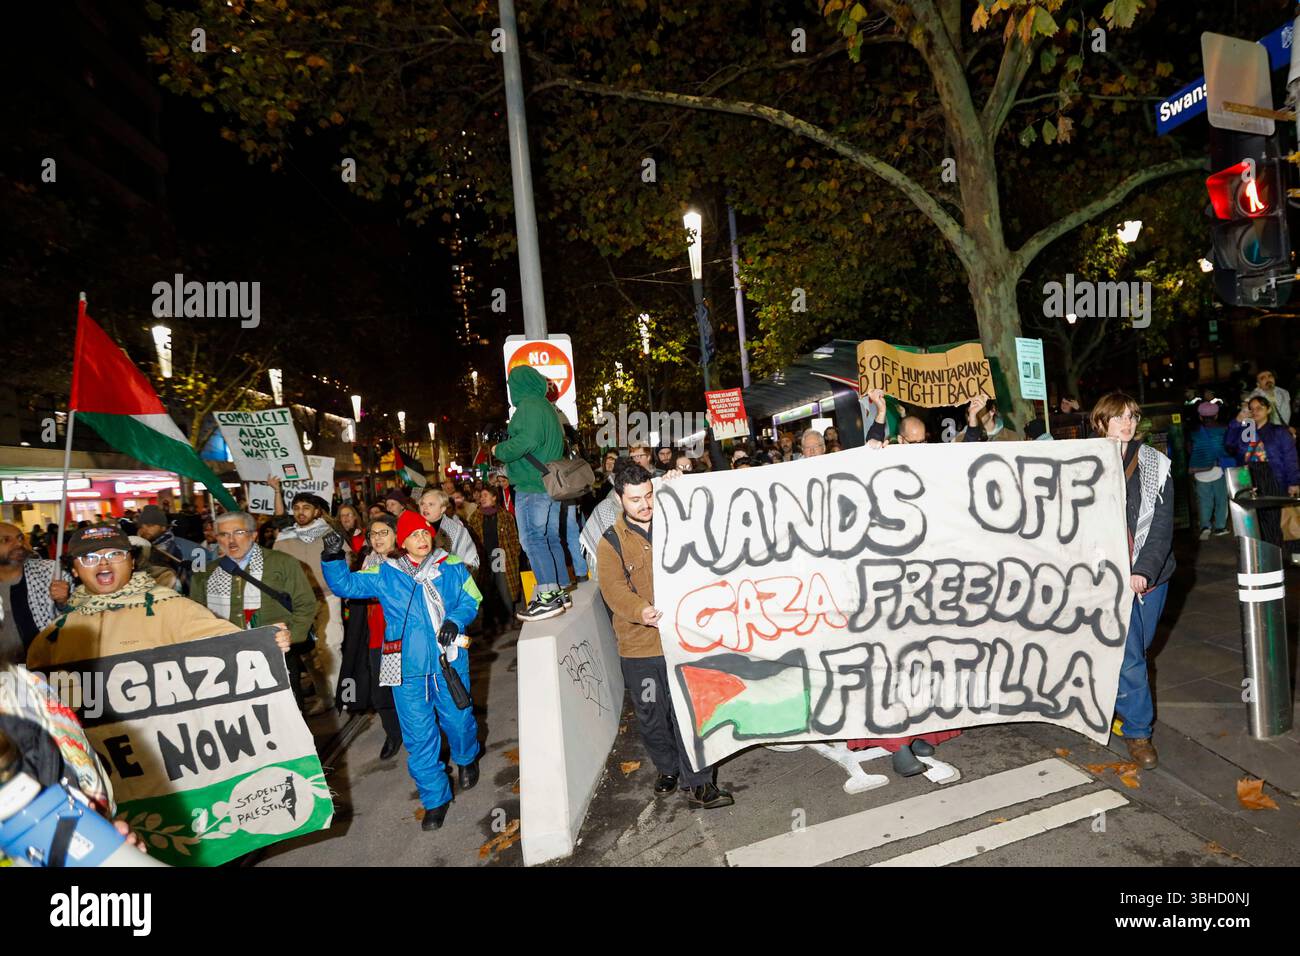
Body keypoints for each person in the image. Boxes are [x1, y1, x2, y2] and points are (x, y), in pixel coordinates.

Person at [321, 511, 482, 831]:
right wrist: (332, 555)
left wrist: (456, 619)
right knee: (419, 736)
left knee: (459, 721)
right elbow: (345, 584)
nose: (421, 539)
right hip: (405, 667)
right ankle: (434, 800)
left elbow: (472, 598)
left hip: (447, 660)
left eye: (425, 533)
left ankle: (466, 758)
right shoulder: (387, 572)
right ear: (402, 541)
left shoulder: (450, 565)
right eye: (414, 535)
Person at [596, 460, 734, 809]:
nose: (645, 505)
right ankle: (668, 769)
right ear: (618, 499)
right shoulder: (610, 543)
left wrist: (679, 483)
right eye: (635, 500)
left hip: (683, 642)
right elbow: (613, 591)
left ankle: (699, 781)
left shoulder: (675, 520)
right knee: (651, 714)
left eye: (649, 496)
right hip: (640, 649)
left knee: (690, 712)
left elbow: (711, 515)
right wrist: (641, 610)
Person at [27, 525, 290, 671]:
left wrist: (267, 640)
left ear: (132, 562)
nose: (104, 563)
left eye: (115, 554)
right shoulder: (54, 636)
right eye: (90, 558)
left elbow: (231, 643)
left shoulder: (173, 608)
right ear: (74, 569)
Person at [1091, 392, 1174, 770]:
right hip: (1105, 578)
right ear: (1101, 422)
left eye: (1132, 416)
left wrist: (1143, 569)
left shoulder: (1156, 463)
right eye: (1118, 417)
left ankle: (1112, 704)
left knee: (1137, 652)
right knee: (1128, 657)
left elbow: (1161, 524)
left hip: (1150, 577)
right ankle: (1138, 732)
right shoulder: (1082, 462)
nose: (1127, 424)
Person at [191, 511, 320, 710]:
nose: (231, 540)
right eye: (224, 535)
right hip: (226, 663)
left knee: (286, 718)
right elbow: (197, 619)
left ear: (253, 535)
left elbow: (306, 605)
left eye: (238, 532)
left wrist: (291, 634)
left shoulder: (282, 563)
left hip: (276, 656)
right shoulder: (205, 574)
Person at [492, 365, 572, 622]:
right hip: (549, 483)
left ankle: (548, 596)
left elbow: (526, 442)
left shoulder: (527, 406)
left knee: (533, 540)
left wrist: (499, 449)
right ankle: (559, 590)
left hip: (531, 484)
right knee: (549, 538)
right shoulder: (548, 407)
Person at [271, 486, 346, 714]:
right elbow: (275, 569)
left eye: (306, 508)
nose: (300, 512)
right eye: (296, 508)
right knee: (308, 653)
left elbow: (345, 563)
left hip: (328, 596)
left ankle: (340, 694)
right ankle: (325, 697)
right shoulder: (284, 537)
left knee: (330, 646)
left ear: (317, 512)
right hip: (298, 603)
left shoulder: (330, 534)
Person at [1226, 394, 1300, 553]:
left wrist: (1294, 482)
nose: (1255, 411)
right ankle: (1264, 552)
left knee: (1273, 515)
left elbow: (1290, 457)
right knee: (1256, 517)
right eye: (1251, 409)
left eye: (1260, 407)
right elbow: (1230, 447)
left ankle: (1275, 553)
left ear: (1268, 409)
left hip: (1272, 474)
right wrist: (1237, 422)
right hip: (1249, 476)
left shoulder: (1279, 431)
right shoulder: (1247, 431)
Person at [0, 523, 71, 665]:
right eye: (6, 540)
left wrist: (63, 602)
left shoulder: (50, 572)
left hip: (47, 667)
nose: (18, 544)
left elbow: (76, 617)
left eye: (20, 538)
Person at [466, 485, 523, 636]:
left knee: (504, 589)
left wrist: (514, 555)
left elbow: (514, 538)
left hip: (500, 556)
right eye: (481, 496)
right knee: (486, 590)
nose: (482, 498)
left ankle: (508, 620)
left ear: (494, 497)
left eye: (485, 495)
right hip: (484, 559)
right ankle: (489, 623)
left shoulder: (505, 516)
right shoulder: (475, 517)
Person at [1188, 402, 1234, 539]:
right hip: (1218, 469)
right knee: (1221, 500)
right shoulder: (1224, 429)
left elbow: (1190, 450)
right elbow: (1228, 448)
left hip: (1200, 471)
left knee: (1204, 501)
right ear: (1216, 415)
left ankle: (1205, 527)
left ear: (1200, 416)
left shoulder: (1194, 432)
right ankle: (1220, 527)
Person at [134, 504, 199, 593]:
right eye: (141, 526)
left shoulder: (184, 548)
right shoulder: (139, 548)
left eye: (149, 525)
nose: (144, 529)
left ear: (163, 527)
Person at [418, 488, 480, 572]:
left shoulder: (458, 531)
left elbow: (472, 562)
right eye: (422, 504)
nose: (425, 508)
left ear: (442, 509)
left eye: (431, 504)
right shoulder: (415, 530)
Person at [955, 394, 1023, 442]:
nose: (971, 416)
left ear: (992, 410)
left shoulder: (1013, 438)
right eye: (969, 412)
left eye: (977, 409)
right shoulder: (959, 439)